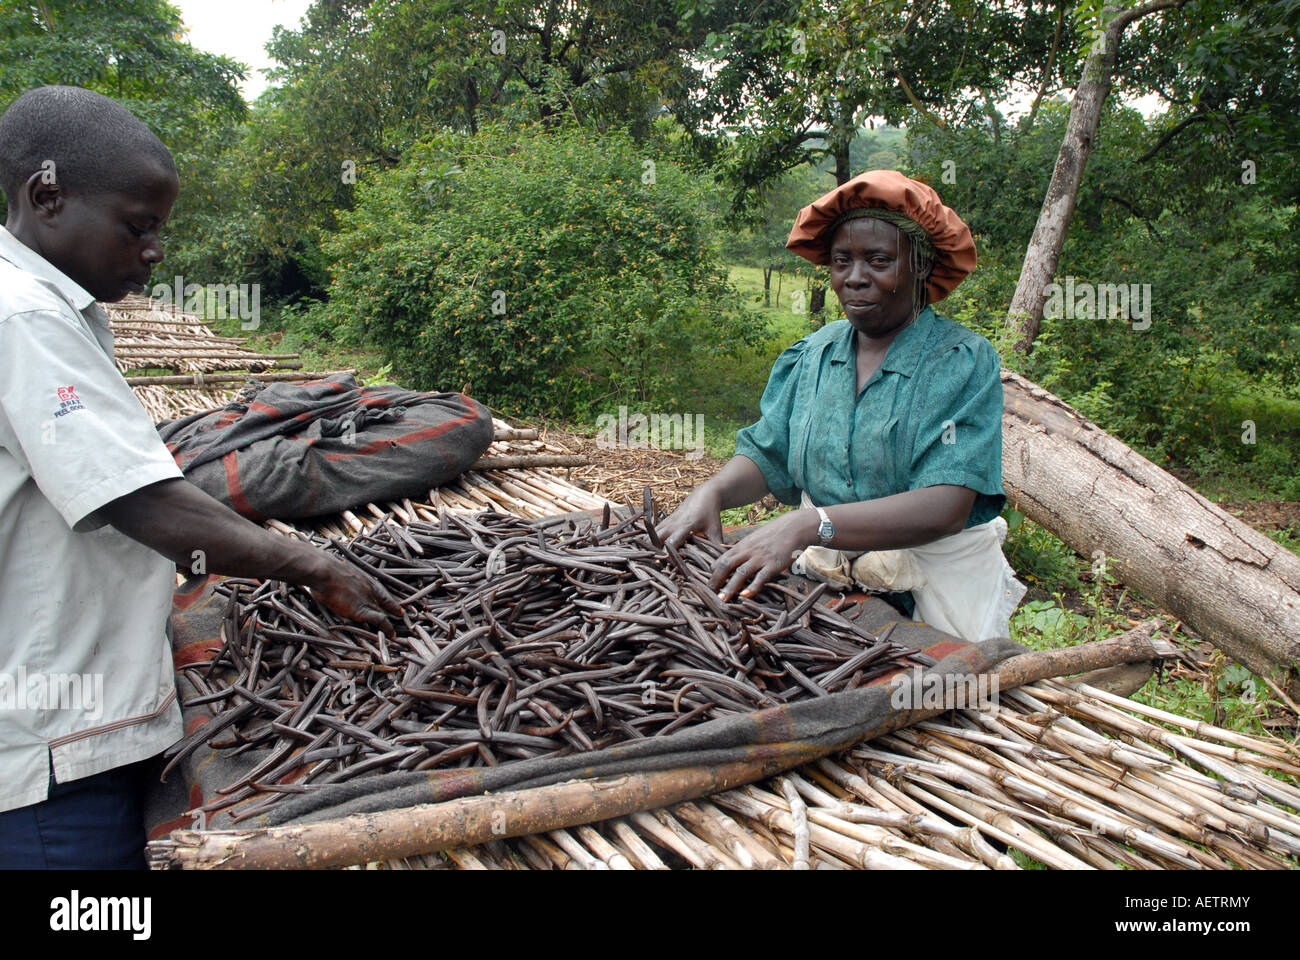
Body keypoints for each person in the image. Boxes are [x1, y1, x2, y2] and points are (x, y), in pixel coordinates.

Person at [0, 86, 400, 869]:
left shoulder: (51, 305)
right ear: (46, 196)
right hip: (48, 754)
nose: (155, 250)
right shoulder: (25, 318)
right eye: (138, 226)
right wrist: (313, 565)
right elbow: (139, 500)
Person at [660, 169, 1025, 642]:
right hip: (824, 577)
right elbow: (769, 453)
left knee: (932, 697)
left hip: (931, 586)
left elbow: (946, 507)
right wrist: (712, 493)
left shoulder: (958, 363)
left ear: (921, 266)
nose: (855, 278)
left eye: (878, 260)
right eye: (841, 261)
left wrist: (812, 523)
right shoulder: (812, 356)